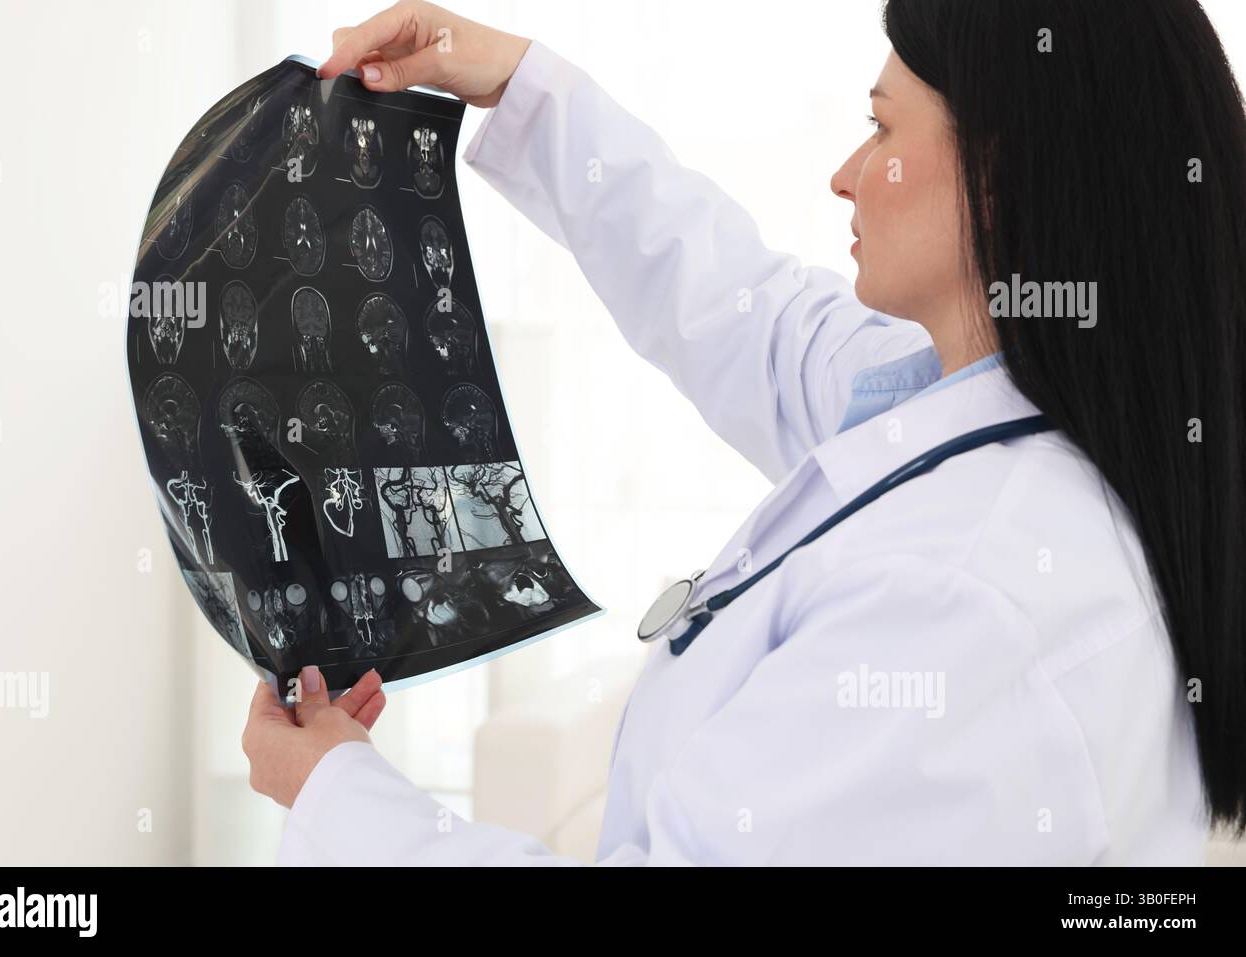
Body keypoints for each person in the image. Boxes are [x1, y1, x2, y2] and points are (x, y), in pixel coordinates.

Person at [242, 0, 1246, 865]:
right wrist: (518, 87)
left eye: (882, 130)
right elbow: (742, 305)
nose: (846, 175)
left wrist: (336, 791)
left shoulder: (968, 599)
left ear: (1000, 174)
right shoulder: (981, 419)